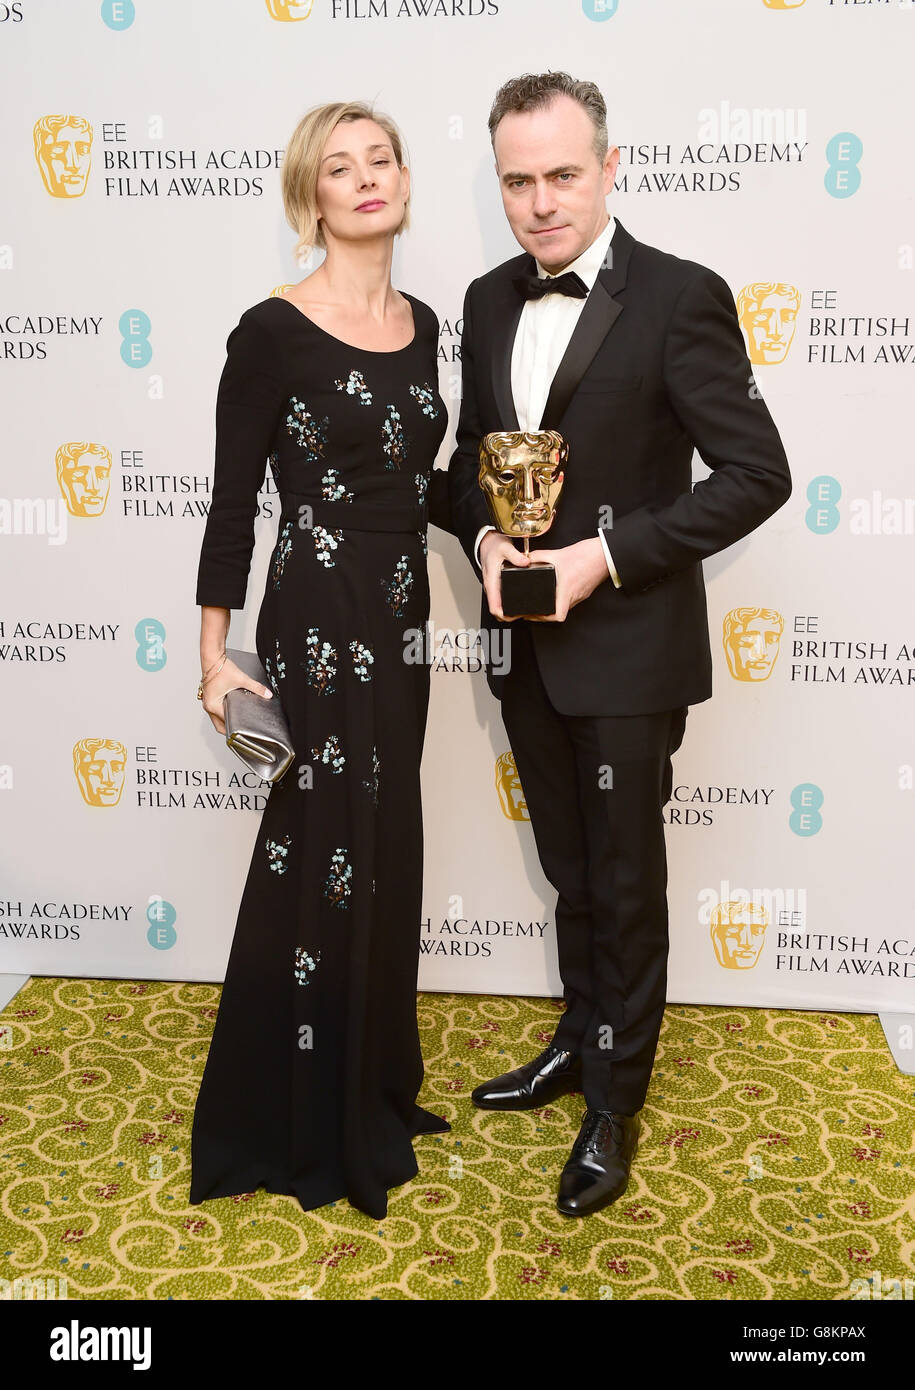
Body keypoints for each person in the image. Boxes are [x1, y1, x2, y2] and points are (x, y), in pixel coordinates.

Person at [448, 72, 792, 1218]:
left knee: (626, 878)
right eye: (517, 180)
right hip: (526, 644)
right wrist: (490, 541)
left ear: (608, 167)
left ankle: (615, 1099)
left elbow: (757, 474)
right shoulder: (489, 300)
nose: (540, 201)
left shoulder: (682, 296)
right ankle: (577, 1041)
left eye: (561, 174)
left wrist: (607, 554)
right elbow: (465, 473)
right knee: (569, 870)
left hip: (631, 644)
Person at [190, 100, 452, 1220]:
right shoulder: (271, 330)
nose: (365, 180)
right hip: (318, 612)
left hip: (402, 616)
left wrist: (501, 528)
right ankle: (306, 1114)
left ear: (402, 179)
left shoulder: (425, 318)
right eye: (338, 169)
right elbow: (233, 501)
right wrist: (213, 654)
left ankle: (375, 1082)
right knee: (327, 843)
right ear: (311, 198)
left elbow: (422, 481)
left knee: (385, 841)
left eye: (379, 159)